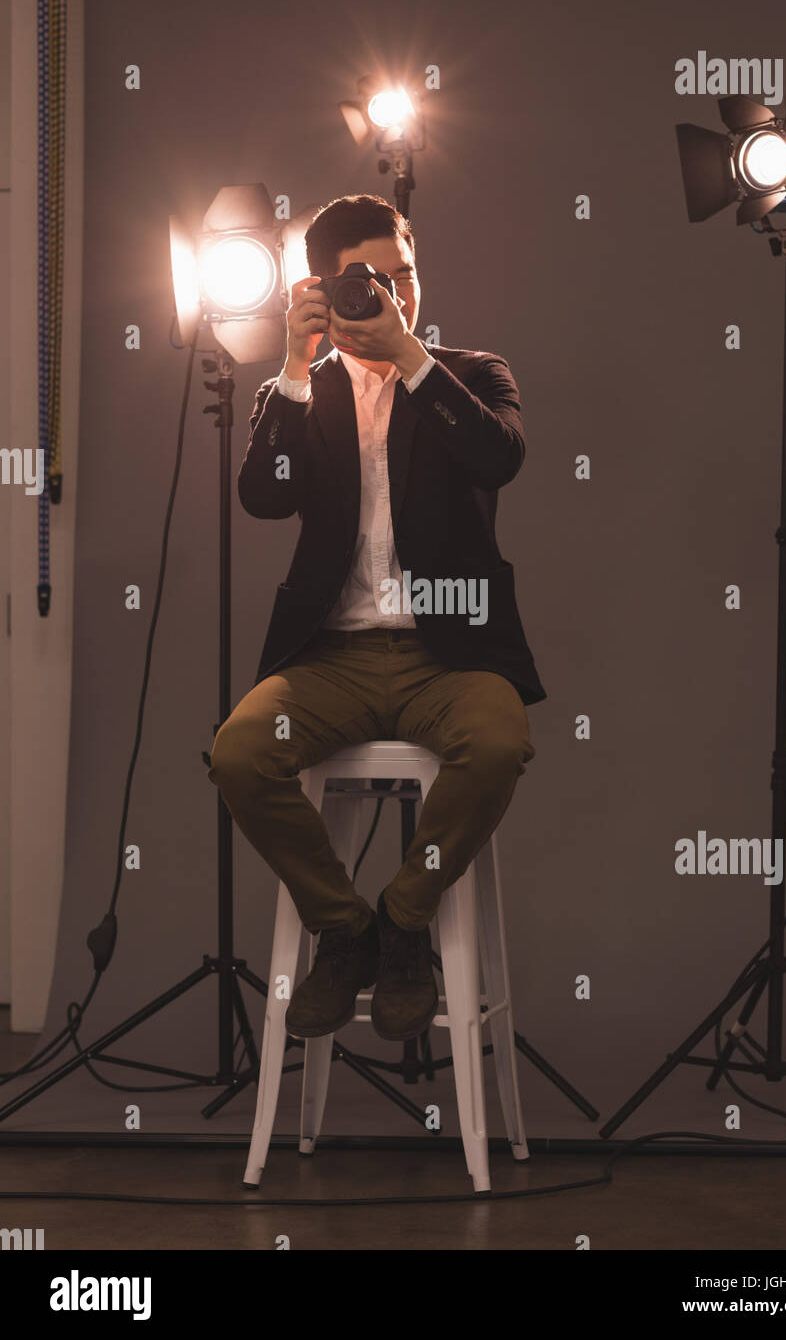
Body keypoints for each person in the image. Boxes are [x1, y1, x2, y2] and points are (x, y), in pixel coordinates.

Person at [207, 193, 545, 1043]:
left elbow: (495, 459)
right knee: (241, 756)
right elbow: (263, 497)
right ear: (324, 285)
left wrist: (409, 359)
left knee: (498, 745)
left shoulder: (470, 373)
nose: (396, 294)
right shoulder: (303, 390)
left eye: (406, 275)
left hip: (452, 656)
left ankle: (403, 918)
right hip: (334, 661)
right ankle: (343, 928)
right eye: (372, 280)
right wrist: (290, 364)